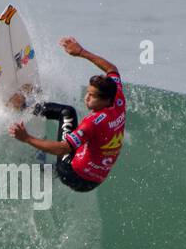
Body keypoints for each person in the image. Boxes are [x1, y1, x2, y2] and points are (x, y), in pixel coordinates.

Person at [8, 37, 126, 192]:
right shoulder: (118, 98)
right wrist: (81, 52)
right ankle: (48, 169)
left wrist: (27, 138)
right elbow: (112, 69)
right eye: (87, 92)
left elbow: (62, 149)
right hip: (96, 179)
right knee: (81, 141)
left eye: (93, 96)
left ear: (105, 99)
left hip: (74, 175)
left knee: (66, 113)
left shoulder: (94, 122)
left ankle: (22, 106)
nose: (87, 97)